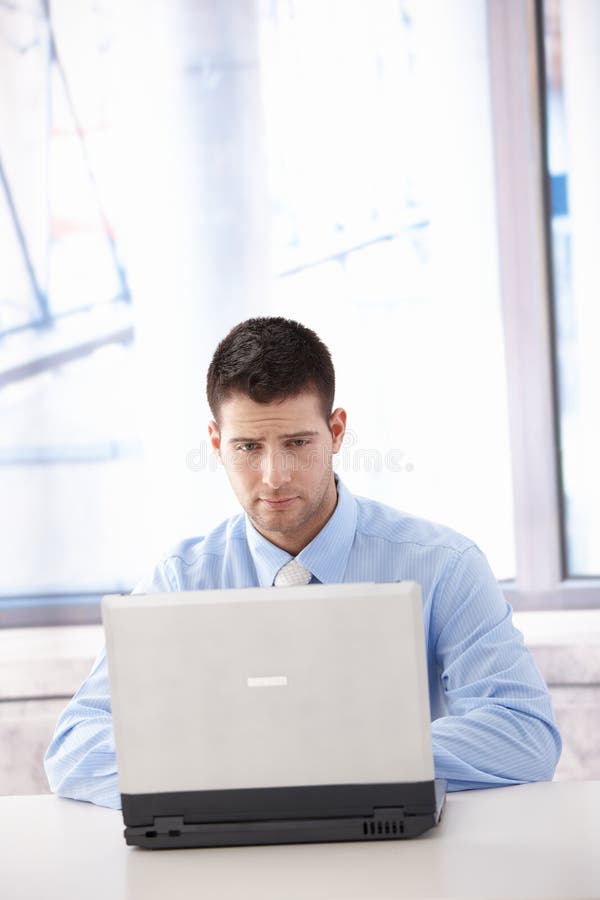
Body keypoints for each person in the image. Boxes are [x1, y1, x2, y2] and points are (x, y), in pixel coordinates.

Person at [45, 316, 561, 810]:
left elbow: (524, 733)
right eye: (248, 447)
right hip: (229, 856)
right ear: (217, 444)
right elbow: (75, 747)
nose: (274, 476)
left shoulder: (444, 565)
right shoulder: (181, 579)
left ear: (336, 432)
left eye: (297, 443)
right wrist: (252, 768)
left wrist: (319, 758)